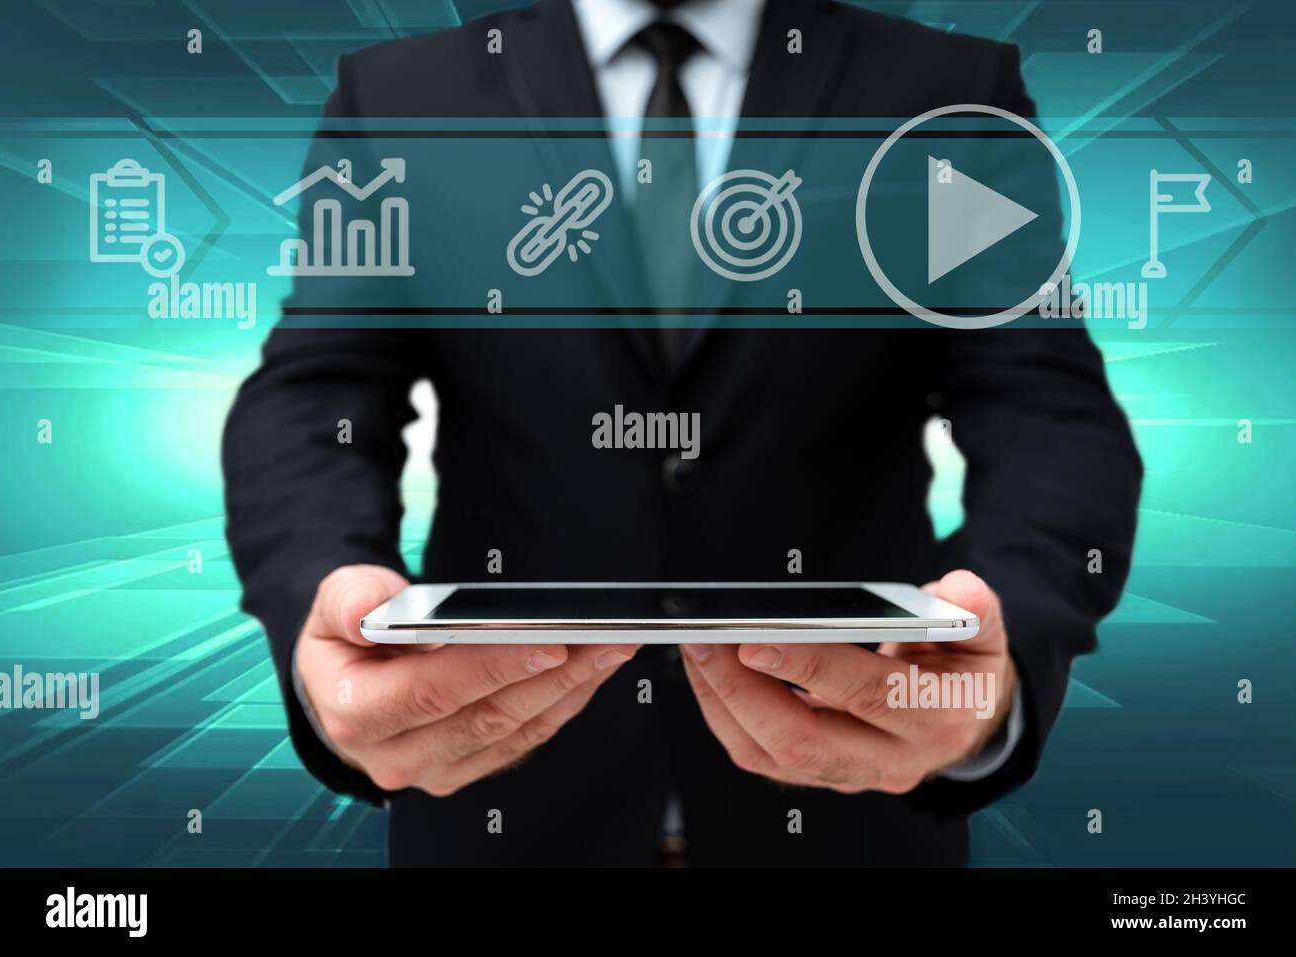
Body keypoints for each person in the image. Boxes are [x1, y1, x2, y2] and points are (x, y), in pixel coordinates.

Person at [222, 0, 1142, 866]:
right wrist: (324, 604)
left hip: (853, 813)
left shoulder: (943, 96)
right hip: (501, 804)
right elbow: (316, 392)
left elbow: (1045, 410)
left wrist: (996, 671)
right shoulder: (401, 99)